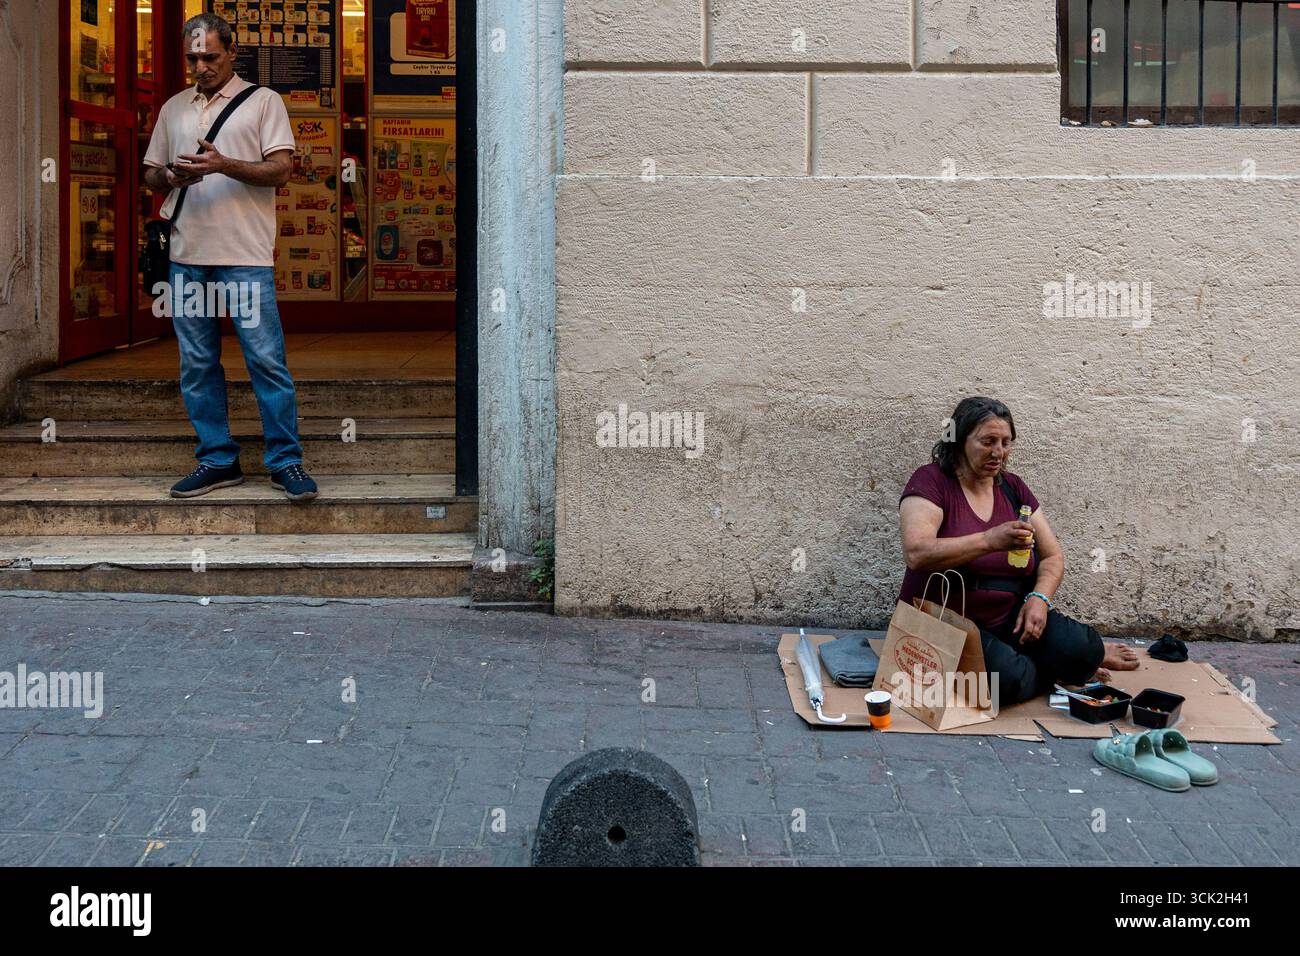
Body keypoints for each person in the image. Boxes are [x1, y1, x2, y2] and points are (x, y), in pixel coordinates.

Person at [143, 12, 317, 502]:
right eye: (192, 58)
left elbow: (281, 170)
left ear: (232, 53)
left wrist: (223, 165)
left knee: (266, 360)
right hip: (186, 256)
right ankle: (218, 460)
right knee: (197, 364)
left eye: (210, 57)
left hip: (245, 256)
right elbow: (150, 174)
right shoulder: (173, 108)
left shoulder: (263, 102)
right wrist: (170, 177)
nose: (201, 67)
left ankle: (285, 461)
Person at [897, 397, 1138, 704]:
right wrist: (989, 540)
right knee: (1006, 681)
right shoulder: (931, 481)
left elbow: (1052, 556)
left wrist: (1039, 599)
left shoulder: (1013, 488)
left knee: (1085, 650)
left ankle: (1050, 668)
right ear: (959, 440)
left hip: (1009, 618)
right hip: (945, 619)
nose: (998, 452)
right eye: (987, 442)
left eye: (1006, 442)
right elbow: (917, 553)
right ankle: (1049, 674)